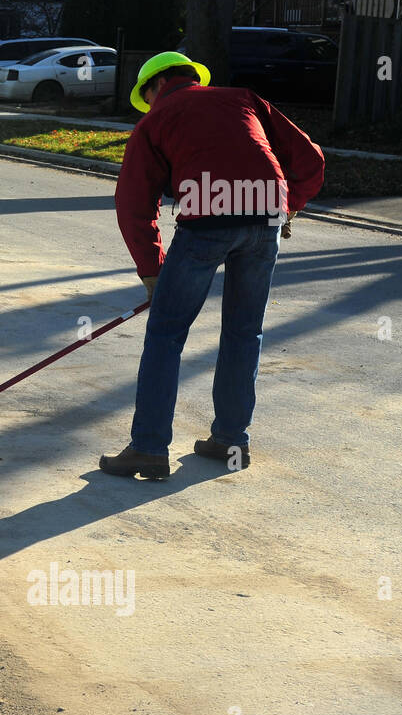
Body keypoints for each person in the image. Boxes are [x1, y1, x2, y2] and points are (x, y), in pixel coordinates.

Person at [99, 50, 324, 479]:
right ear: (193, 79)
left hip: (208, 223)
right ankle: (230, 441)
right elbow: (311, 160)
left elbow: (133, 202)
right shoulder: (244, 99)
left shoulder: (155, 120)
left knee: (166, 333)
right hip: (265, 218)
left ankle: (148, 449)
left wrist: (152, 270)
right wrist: (286, 207)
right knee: (244, 331)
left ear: (154, 87)